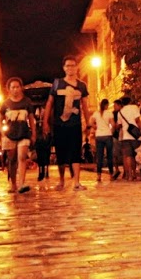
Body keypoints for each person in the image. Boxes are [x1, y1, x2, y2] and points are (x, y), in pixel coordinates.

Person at [45, 56, 89, 190]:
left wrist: (88, 123)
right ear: (64, 68)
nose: (70, 68)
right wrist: (46, 122)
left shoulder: (81, 85)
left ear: (77, 67)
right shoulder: (57, 83)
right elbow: (50, 103)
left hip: (75, 124)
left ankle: (76, 182)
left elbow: (85, 106)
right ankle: (61, 181)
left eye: (73, 65)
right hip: (59, 124)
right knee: (61, 152)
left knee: (76, 152)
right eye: (67, 65)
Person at [1, 78, 34, 193]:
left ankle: (21, 184)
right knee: (12, 160)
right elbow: (0, 117)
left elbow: (31, 118)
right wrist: (2, 131)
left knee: (22, 157)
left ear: (21, 88)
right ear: (9, 89)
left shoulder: (27, 102)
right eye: (13, 87)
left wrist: (33, 133)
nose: (15, 89)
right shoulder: (6, 103)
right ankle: (13, 184)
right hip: (10, 134)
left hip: (23, 133)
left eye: (17, 87)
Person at [116, 96, 141, 179]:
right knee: (136, 155)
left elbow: (119, 125)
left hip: (125, 136)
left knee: (128, 156)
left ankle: (130, 175)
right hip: (135, 136)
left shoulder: (120, 112)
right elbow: (137, 120)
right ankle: (135, 173)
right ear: (130, 101)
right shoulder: (134, 107)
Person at [93, 98, 117, 181]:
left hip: (99, 136)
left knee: (99, 156)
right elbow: (113, 125)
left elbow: (90, 122)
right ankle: (111, 175)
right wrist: (112, 132)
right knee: (109, 155)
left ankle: (99, 176)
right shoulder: (109, 113)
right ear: (106, 105)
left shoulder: (96, 113)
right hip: (107, 135)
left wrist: (95, 127)